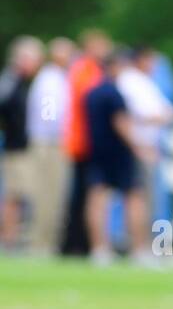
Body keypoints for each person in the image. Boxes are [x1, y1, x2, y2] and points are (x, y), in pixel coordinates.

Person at [84, 48, 152, 265]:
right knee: (134, 198)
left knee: (97, 198)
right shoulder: (115, 93)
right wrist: (139, 147)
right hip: (118, 153)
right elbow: (120, 123)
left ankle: (99, 248)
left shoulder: (92, 93)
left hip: (96, 150)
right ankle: (139, 249)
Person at [115, 46, 173, 236]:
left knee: (149, 198)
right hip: (139, 147)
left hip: (149, 146)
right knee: (139, 198)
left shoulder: (145, 82)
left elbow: (167, 111)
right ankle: (138, 243)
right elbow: (134, 115)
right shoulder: (130, 81)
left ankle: (145, 243)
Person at [62, 29, 112, 256]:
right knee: (82, 195)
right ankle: (77, 243)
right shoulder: (85, 69)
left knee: (84, 194)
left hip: (86, 140)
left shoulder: (88, 69)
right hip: (83, 141)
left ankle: (80, 242)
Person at [25, 37, 74, 255]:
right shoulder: (51, 80)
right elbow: (49, 115)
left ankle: (47, 242)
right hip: (49, 144)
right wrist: (60, 137)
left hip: (52, 143)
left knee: (54, 196)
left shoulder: (57, 78)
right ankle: (41, 243)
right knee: (47, 195)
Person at [0, 36, 45, 249]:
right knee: (14, 195)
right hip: (15, 148)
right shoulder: (11, 80)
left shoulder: (24, 82)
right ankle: (7, 238)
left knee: (19, 195)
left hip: (22, 147)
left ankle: (12, 237)